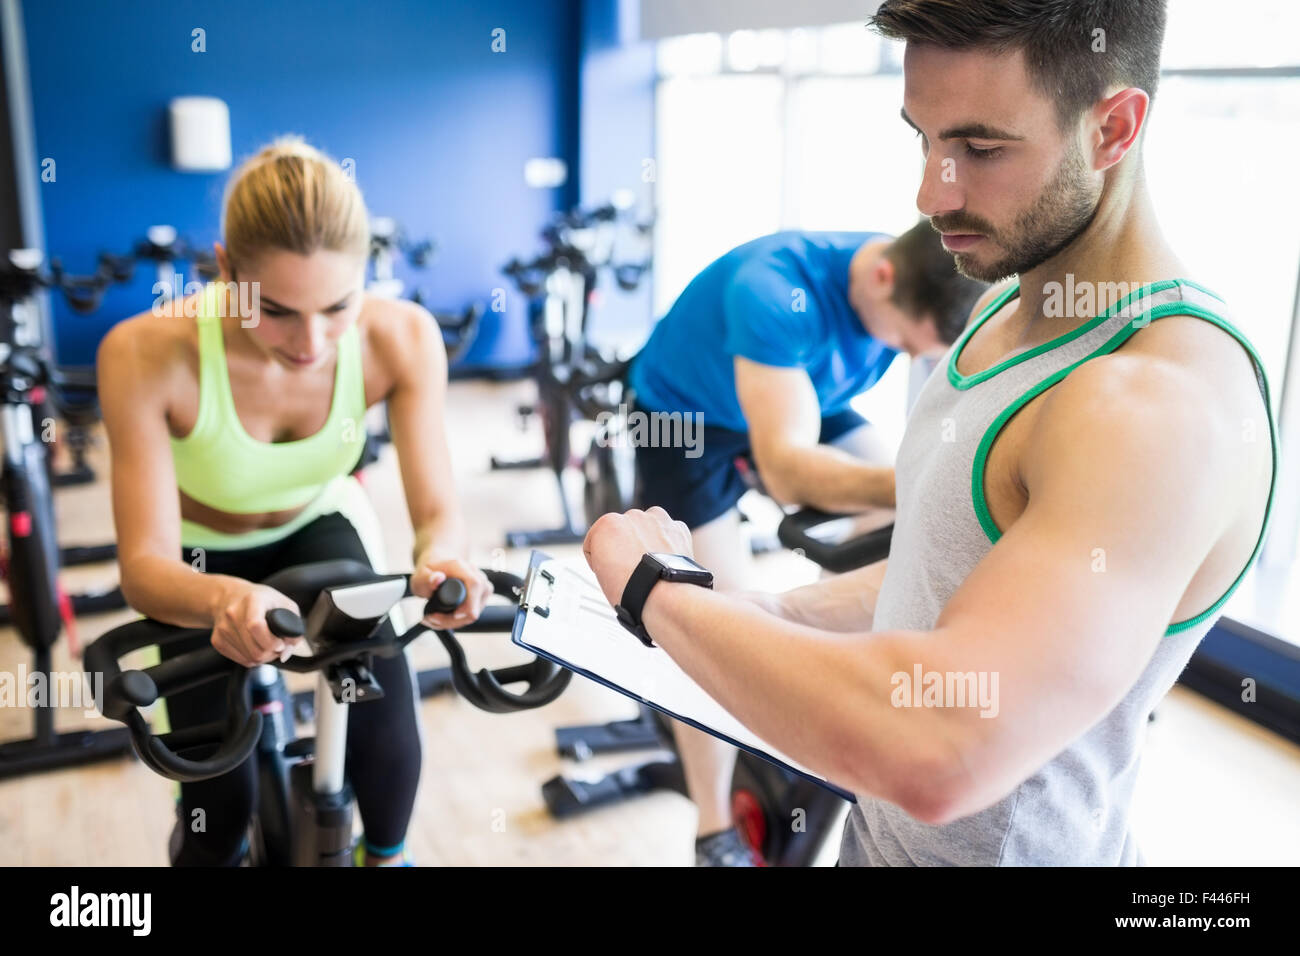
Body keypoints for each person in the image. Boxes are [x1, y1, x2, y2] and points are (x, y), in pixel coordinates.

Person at [582, 0, 1277, 865]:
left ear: (1115, 126)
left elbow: (941, 745)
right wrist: (766, 611)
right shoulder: (997, 313)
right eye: (924, 137)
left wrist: (659, 594)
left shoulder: (1158, 403)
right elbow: (943, 566)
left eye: (980, 148)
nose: (930, 192)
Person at [98, 137, 492, 867]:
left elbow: (438, 514)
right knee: (221, 798)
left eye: (337, 305)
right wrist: (222, 600)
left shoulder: (400, 337)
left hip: (316, 527)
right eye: (276, 311)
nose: (311, 342)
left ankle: (390, 856)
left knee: (383, 711)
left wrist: (443, 559)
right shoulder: (145, 353)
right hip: (195, 558)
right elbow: (145, 566)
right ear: (227, 270)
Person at [627, 223, 987, 864]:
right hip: (685, 417)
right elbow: (788, 467)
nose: (906, 357)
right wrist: (924, 483)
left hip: (806, 393)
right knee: (710, 616)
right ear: (881, 277)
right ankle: (712, 828)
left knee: (906, 524)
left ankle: (821, 674)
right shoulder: (773, 288)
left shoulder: (918, 280)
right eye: (904, 342)